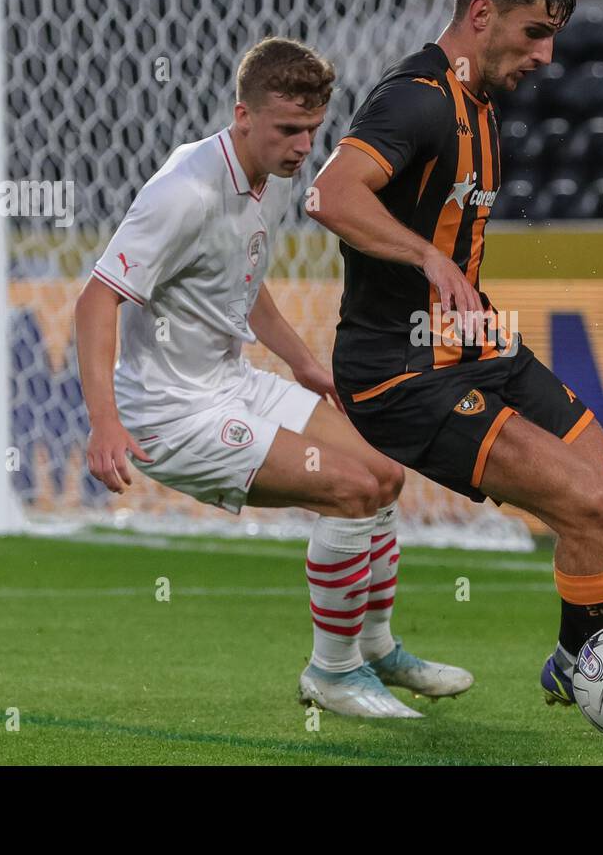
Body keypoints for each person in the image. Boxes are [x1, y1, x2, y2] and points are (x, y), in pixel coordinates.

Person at [307, 0, 603, 749]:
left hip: (476, 346)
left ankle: (577, 653)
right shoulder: (419, 98)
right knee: (579, 504)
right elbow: (330, 196)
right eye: (534, 33)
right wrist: (426, 255)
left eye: (553, 38)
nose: (545, 54)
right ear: (480, 14)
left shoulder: (483, 107)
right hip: (400, 373)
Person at [75, 37, 472, 720]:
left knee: (384, 470)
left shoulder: (272, 177)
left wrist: (302, 362)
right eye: (287, 130)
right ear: (242, 116)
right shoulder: (184, 193)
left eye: (312, 131)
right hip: (173, 414)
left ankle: (377, 648)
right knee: (348, 490)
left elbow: (243, 278)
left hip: (232, 379)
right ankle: (332, 673)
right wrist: (105, 422)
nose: (300, 147)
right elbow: (96, 299)